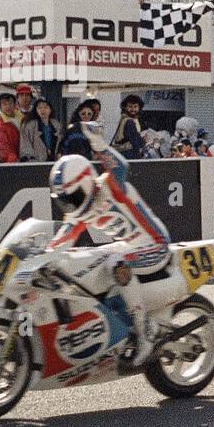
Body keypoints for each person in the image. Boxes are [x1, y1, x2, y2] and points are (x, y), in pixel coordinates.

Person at [47, 123, 171, 368]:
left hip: (153, 245)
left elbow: (121, 166)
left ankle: (143, 329)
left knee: (114, 262)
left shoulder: (110, 186)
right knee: (81, 258)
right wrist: (45, 255)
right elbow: (63, 239)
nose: (70, 205)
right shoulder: (79, 211)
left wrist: (99, 144)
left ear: (86, 184)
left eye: (72, 198)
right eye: (64, 201)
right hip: (128, 246)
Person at [20, 97, 63, 162]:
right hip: (36, 163)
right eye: (39, 108)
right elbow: (25, 144)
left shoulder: (57, 125)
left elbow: (61, 143)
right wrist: (30, 159)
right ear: (36, 110)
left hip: (54, 162)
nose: (42, 110)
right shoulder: (29, 125)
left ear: (50, 109)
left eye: (45, 107)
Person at [0, 91, 23, 162]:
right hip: (14, 161)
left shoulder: (24, 117)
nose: (8, 106)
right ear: (0, 107)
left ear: (15, 104)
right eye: (4, 104)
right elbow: (2, 146)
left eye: (10, 103)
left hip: (28, 157)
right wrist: (12, 159)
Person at [112, 94, 147, 158]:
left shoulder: (124, 118)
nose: (133, 109)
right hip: (129, 154)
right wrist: (143, 141)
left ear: (139, 108)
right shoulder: (129, 121)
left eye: (135, 106)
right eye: (130, 106)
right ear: (125, 107)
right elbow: (134, 140)